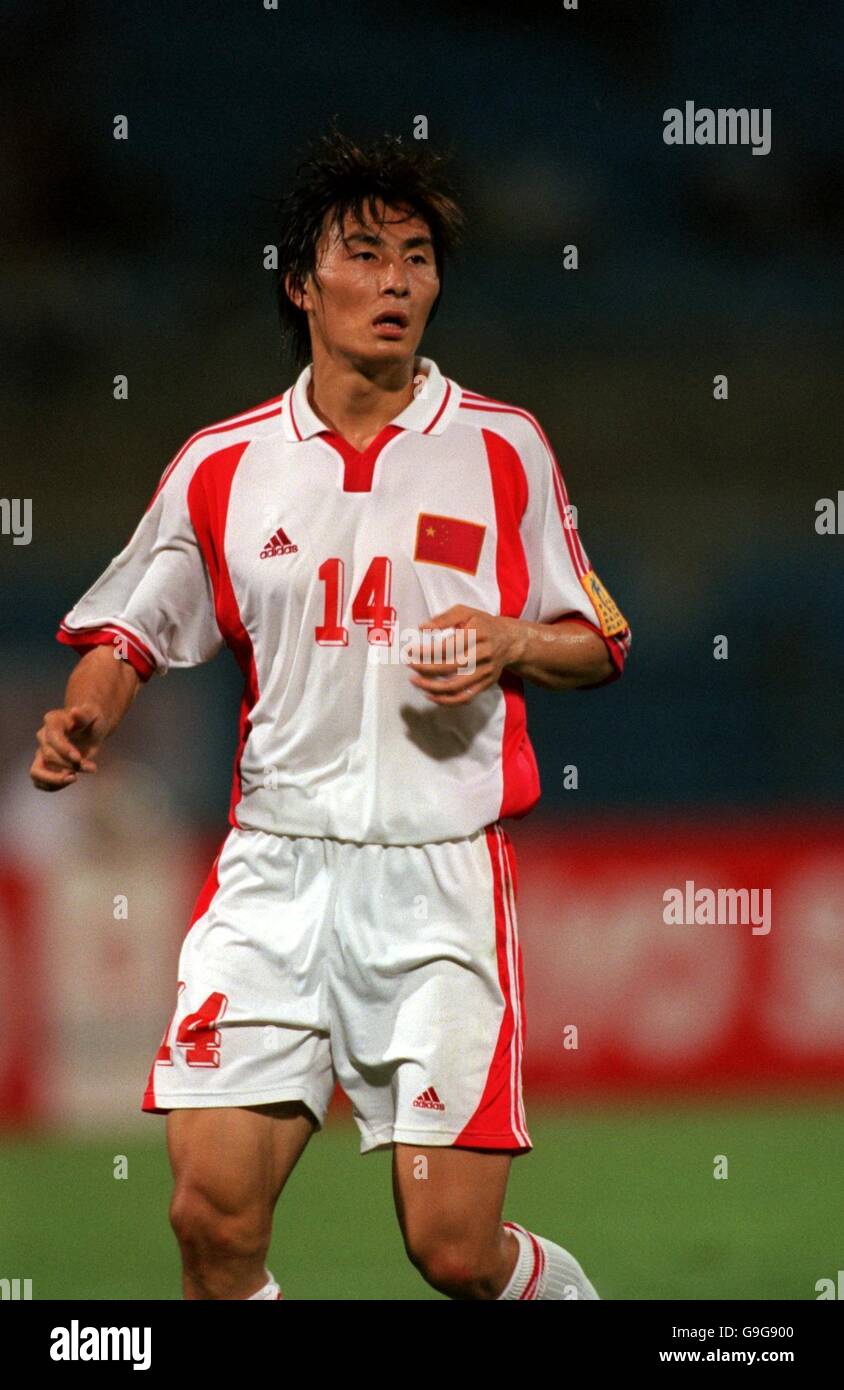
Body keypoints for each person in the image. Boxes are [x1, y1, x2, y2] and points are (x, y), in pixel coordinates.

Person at [31, 128, 631, 1300]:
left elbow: (598, 640)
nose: (398, 281)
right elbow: (131, 628)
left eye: (417, 257)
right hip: (274, 880)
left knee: (451, 1252)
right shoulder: (225, 463)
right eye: (367, 255)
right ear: (301, 284)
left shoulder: (503, 449)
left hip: (437, 881)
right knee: (210, 1218)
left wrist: (514, 641)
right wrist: (87, 712)